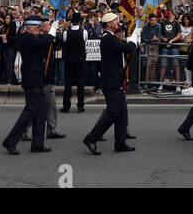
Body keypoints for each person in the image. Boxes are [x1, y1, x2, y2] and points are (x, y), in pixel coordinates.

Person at [83, 13, 140, 155]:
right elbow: (128, 48)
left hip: (115, 79)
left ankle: (120, 143)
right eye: (115, 20)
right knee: (113, 112)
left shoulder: (110, 37)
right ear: (109, 24)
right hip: (111, 81)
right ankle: (91, 138)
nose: (117, 21)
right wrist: (134, 37)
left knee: (121, 113)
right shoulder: (108, 38)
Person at [3, 16, 55, 154]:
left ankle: (38, 143)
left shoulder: (30, 37)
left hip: (36, 78)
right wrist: (52, 30)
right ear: (30, 27)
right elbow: (46, 42)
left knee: (41, 111)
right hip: (32, 79)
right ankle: (11, 140)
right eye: (38, 28)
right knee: (30, 111)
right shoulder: (26, 38)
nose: (39, 30)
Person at [60, 11, 87, 113]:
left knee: (68, 83)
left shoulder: (66, 33)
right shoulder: (84, 32)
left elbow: (65, 43)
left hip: (69, 59)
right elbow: (85, 42)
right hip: (80, 59)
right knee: (81, 83)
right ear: (80, 21)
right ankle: (80, 106)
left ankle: (66, 106)